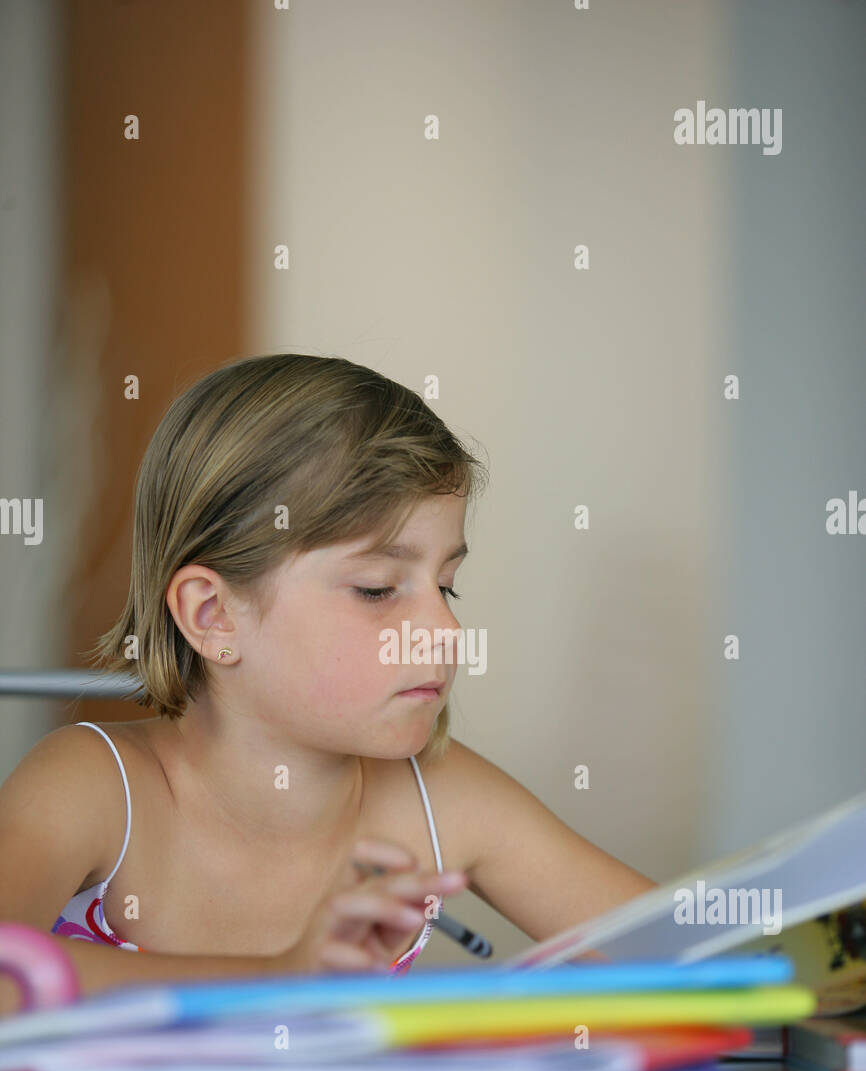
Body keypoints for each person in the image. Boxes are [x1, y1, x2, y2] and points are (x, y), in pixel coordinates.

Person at [0, 353, 654, 1014]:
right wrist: (284, 977)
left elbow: (693, 958)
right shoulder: (92, 786)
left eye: (448, 584)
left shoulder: (441, 799)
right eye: (376, 589)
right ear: (213, 614)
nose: (445, 631)